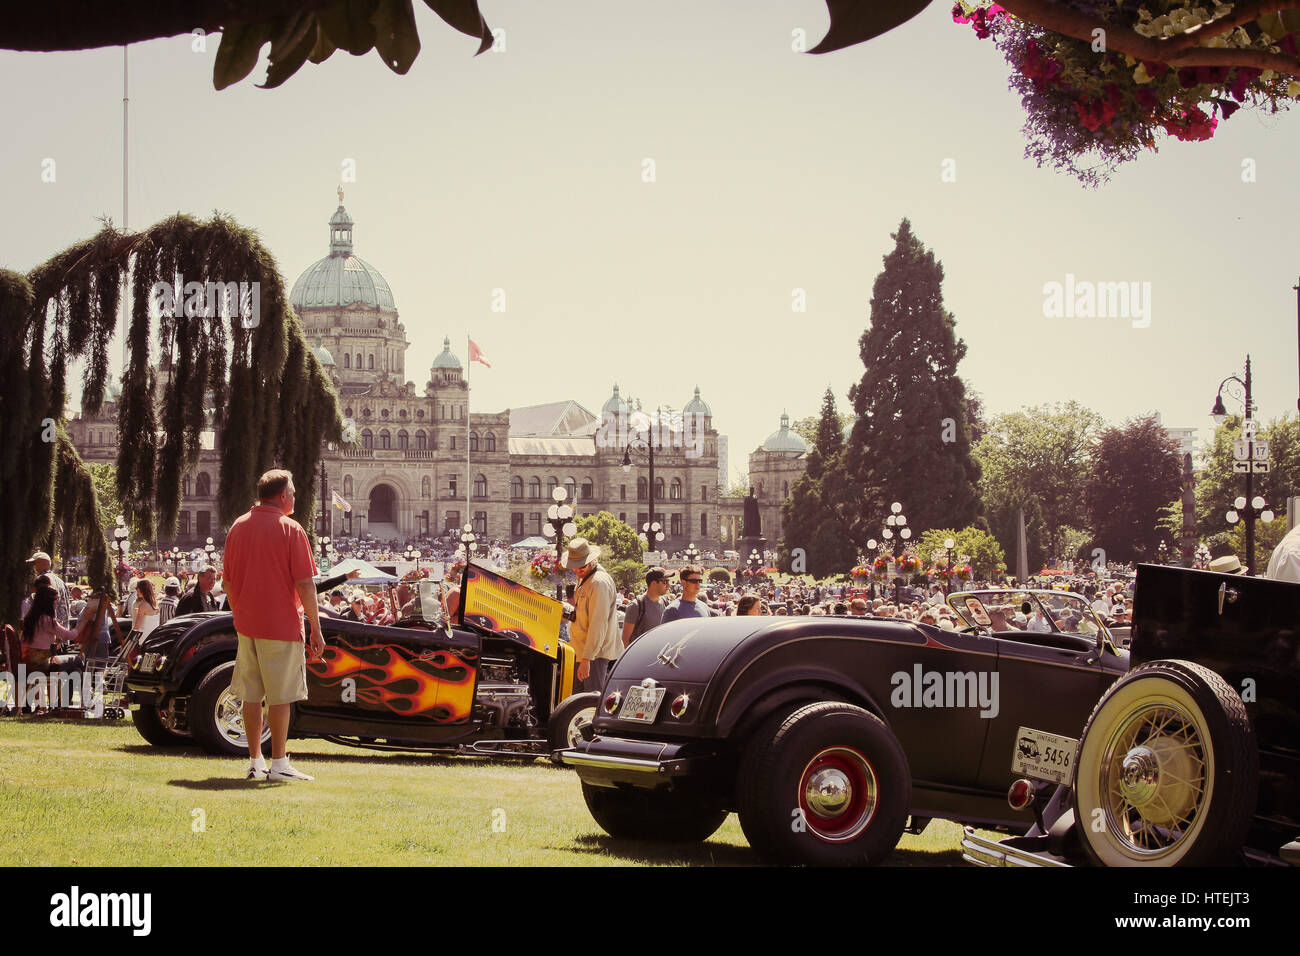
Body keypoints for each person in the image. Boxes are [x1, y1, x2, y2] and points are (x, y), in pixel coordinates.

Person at [222, 469, 321, 782]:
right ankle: (279, 763)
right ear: (282, 496)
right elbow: (305, 584)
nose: (294, 497)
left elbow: (226, 584)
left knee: (251, 695)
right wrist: (316, 627)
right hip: (280, 624)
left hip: (247, 624)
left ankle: (255, 760)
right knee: (280, 697)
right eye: (292, 492)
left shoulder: (237, 527)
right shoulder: (291, 529)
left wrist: (242, 609)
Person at [562, 538, 619, 693]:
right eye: (574, 567)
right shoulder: (588, 578)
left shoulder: (598, 583)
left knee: (590, 702)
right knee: (581, 702)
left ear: (592, 561)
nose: (576, 571)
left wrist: (587, 659)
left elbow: (598, 624)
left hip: (593, 655)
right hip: (585, 652)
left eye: (581, 567)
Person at [622, 567, 670, 646]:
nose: (668, 585)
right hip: (641, 656)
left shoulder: (666, 603)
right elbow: (625, 639)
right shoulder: (636, 605)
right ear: (654, 583)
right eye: (665, 581)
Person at [25, 551, 71, 627]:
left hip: (49, 629)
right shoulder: (60, 581)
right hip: (62, 627)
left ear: (43, 564)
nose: (34, 567)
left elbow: (41, 605)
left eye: (35, 563)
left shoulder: (42, 580)